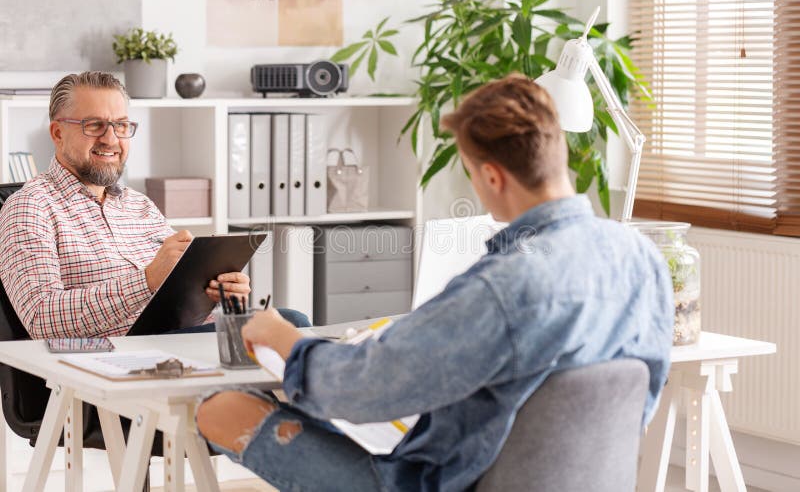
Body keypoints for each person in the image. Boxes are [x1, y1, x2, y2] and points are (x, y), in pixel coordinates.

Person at [195, 74, 674, 491]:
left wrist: (285, 337)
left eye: (468, 173)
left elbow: (364, 389)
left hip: (448, 483)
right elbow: (642, 398)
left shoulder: (506, 288)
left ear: (492, 176)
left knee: (220, 408)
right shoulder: (642, 260)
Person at [0, 71, 307, 339]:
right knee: (290, 328)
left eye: (121, 126)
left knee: (288, 327)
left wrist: (218, 292)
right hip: (110, 364)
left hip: (176, 344)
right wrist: (146, 280)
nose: (111, 139)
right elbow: (41, 318)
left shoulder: (140, 206)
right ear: (57, 133)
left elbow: (176, 293)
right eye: (94, 125)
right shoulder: (30, 207)